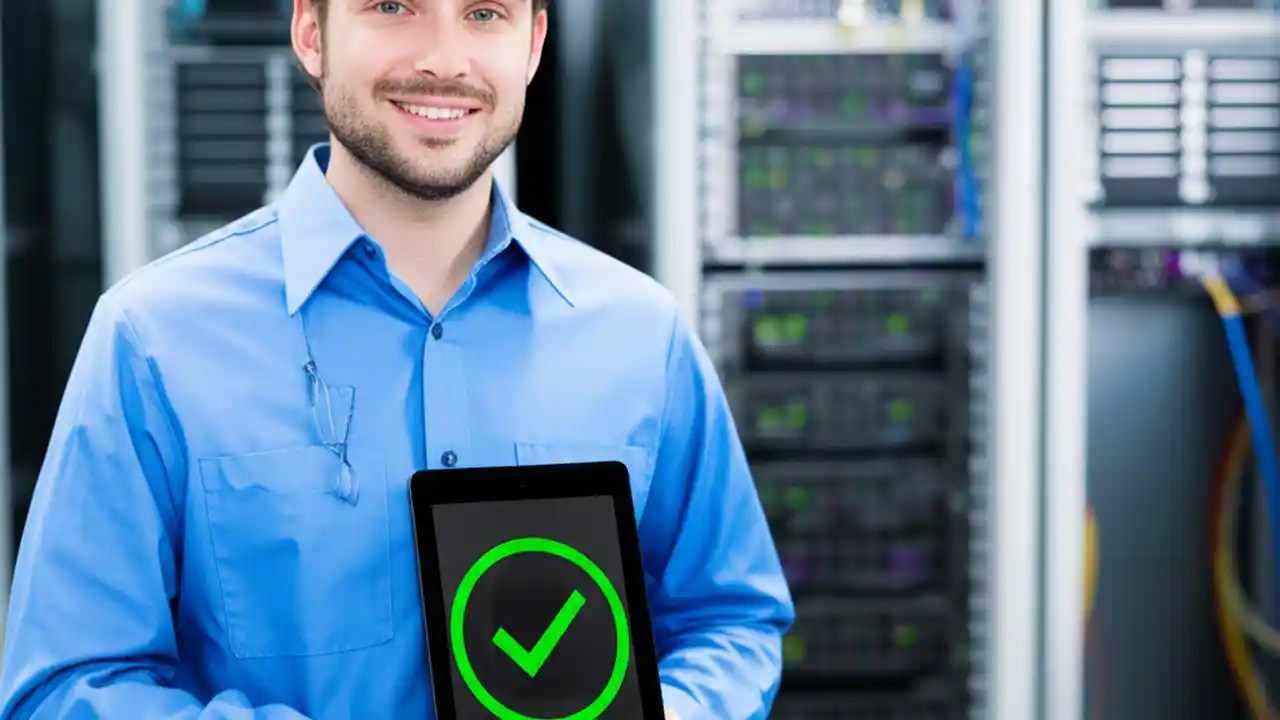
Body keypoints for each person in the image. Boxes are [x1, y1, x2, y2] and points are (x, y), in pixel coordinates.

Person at [0, 0, 794, 717]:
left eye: (484, 14)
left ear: (532, 45)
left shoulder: (641, 335)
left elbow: (729, 620)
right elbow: (65, 685)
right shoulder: (154, 337)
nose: (444, 59)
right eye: (392, 6)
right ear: (311, 33)